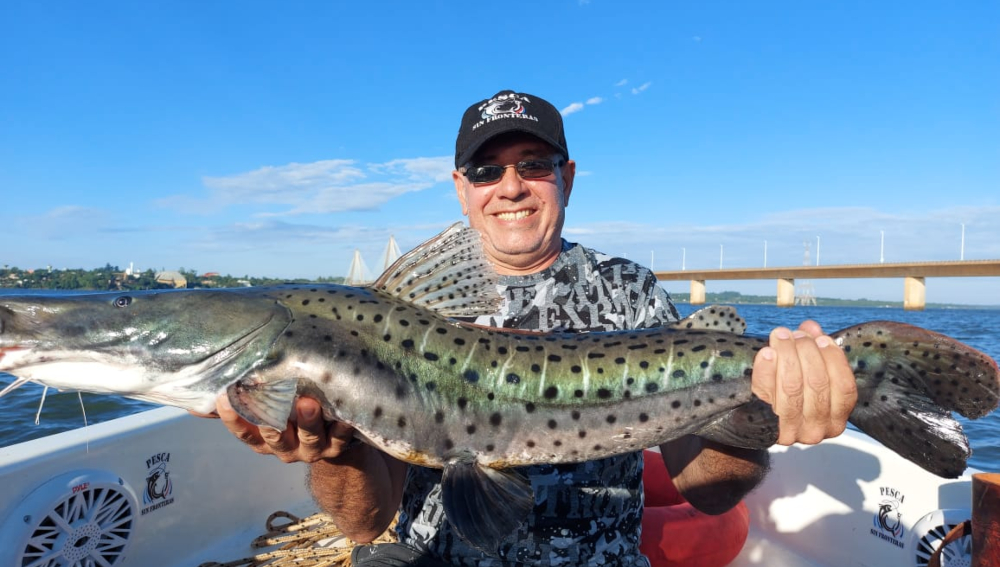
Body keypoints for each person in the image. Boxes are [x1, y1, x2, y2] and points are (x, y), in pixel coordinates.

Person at [210, 90, 858, 566]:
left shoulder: (629, 290)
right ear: (462, 189)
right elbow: (366, 519)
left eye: (535, 164)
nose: (511, 186)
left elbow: (706, 487)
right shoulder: (399, 313)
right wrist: (336, 449)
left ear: (566, 178)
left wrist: (768, 410)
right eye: (488, 170)